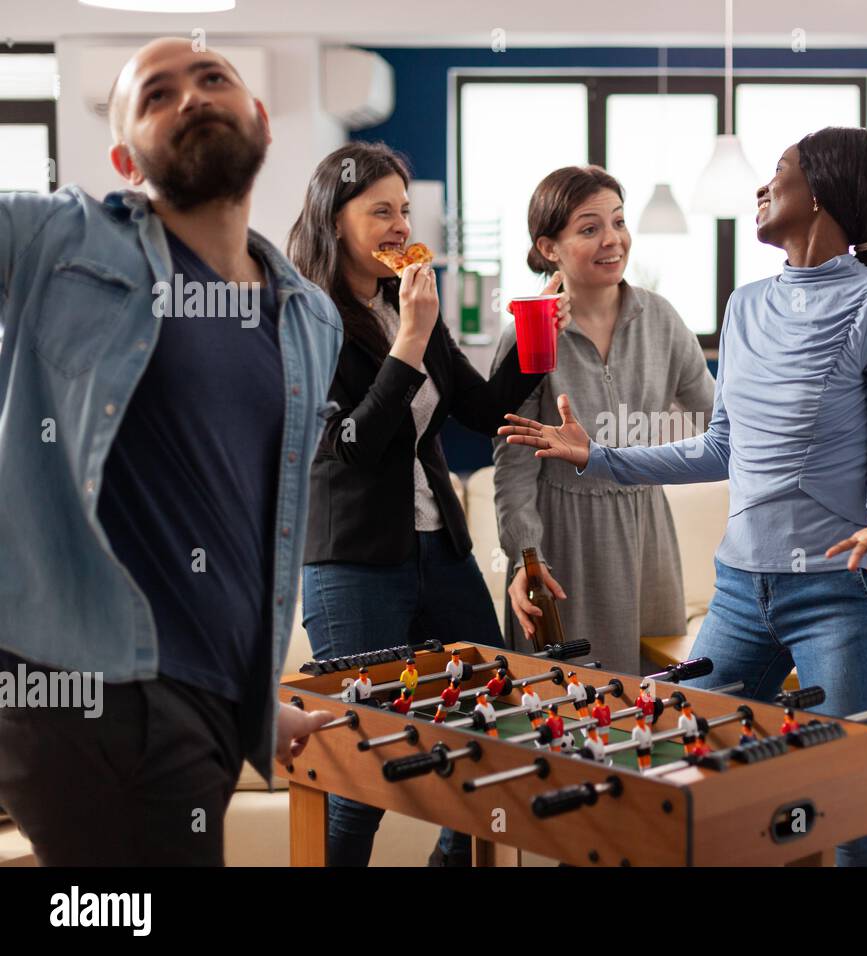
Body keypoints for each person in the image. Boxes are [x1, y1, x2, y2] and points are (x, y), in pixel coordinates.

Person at [499, 127, 867, 867]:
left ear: (824, 196)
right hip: (741, 591)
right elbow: (722, 448)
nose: (761, 187)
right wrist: (598, 456)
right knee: (680, 767)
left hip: (841, 592)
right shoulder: (745, 305)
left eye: (779, 172)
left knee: (854, 817)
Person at [0, 38, 339, 865]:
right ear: (125, 157)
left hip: (207, 708)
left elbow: (249, 529)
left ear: (258, 120)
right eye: (156, 95)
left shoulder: (308, 320)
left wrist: (258, 705)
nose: (190, 97)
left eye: (212, 79)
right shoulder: (58, 241)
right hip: (93, 693)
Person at [285, 141, 567, 867]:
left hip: (439, 550)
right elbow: (350, 443)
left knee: (489, 717)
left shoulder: (409, 301)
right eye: (379, 210)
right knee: (366, 759)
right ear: (332, 220)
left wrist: (533, 344)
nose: (399, 226)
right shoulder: (305, 318)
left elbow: (480, 408)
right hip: (351, 562)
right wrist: (407, 341)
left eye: (404, 210)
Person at [492, 166, 714, 675]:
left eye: (618, 221)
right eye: (590, 228)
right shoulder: (528, 333)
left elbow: (717, 417)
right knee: (565, 701)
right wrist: (529, 557)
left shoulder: (661, 318)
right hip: (564, 541)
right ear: (550, 247)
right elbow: (514, 468)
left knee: (653, 694)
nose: (612, 239)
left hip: (646, 533)